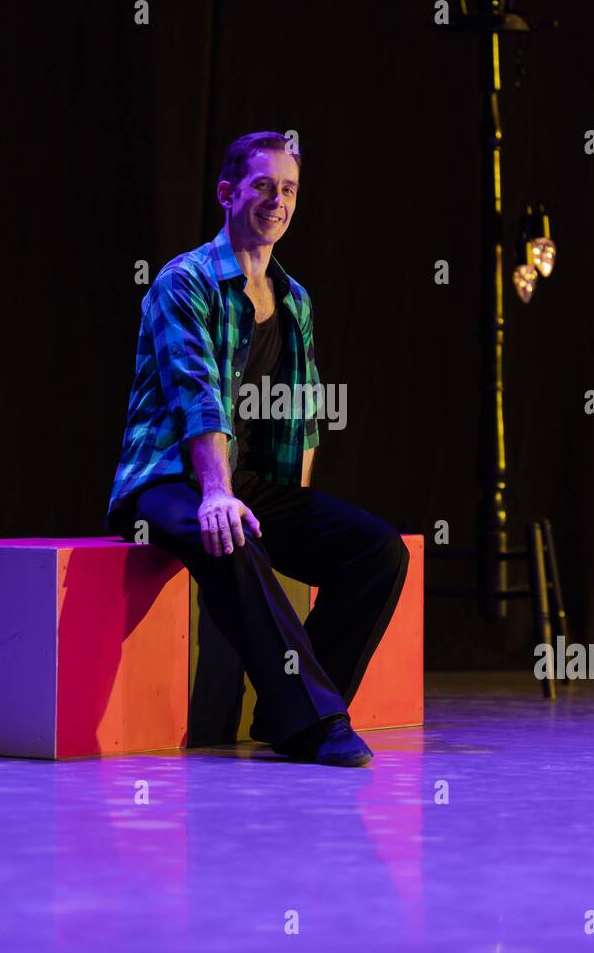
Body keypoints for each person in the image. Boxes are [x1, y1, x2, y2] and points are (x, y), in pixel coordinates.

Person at [106, 130, 409, 765]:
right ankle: (317, 722)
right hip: (164, 482)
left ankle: (287, 709)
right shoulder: (182, 282)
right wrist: (215, 492)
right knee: (230, 534)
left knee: (375, 550)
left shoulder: (293, 299)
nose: (278, 201)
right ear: (227, 193)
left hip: (238, 479)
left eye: (289, 189)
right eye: (264, 186)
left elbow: (300, 414)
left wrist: (294, 517)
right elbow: (198, 395)